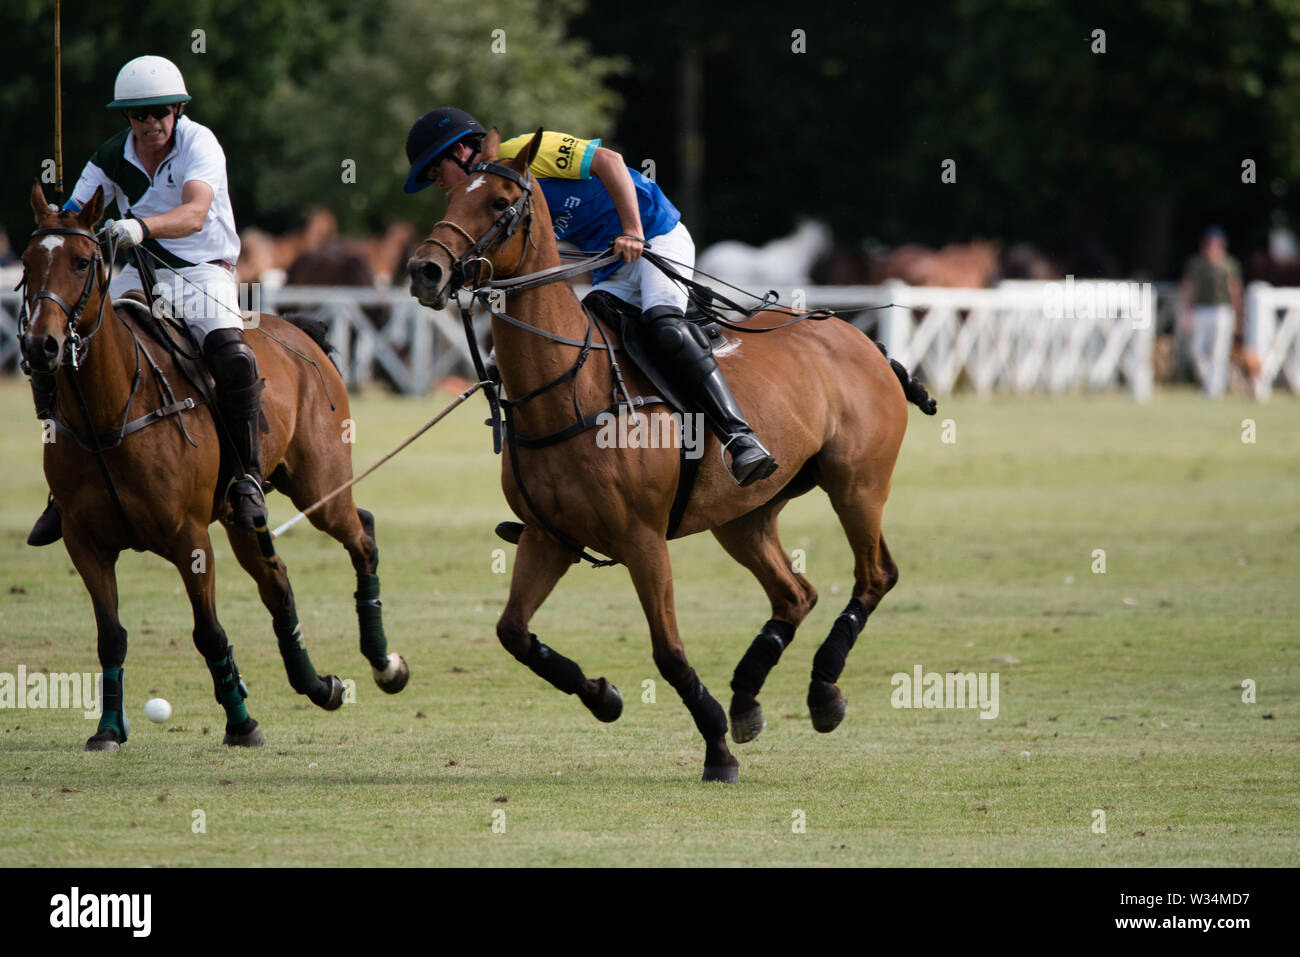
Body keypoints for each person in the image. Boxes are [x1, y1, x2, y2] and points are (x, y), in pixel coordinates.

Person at [402, 107, 778, 486]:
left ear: (461, 151)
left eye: (436, 170)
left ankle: (739, 435)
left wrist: (633, 229)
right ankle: (554, 489)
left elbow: (609, 161)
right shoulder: (482, 196)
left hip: (656, 236)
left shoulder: (524, 151)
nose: (437, 182)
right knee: (570, 346)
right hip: (612, 266)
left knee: (665, 327)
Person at [28, 55, 265, 545]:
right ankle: (62, 489)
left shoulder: (200, 143)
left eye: (160, 112)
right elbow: (74, 216)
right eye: (140, 115)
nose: (151, 123)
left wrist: (141, 225)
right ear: (127, 118)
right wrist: (57, 217)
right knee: (64, 352)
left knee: (235, 358)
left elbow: (197, 212)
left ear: (176, 109)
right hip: (136, 271)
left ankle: (246, 479)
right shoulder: (112, 156)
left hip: (201, 271)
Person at [1179, 226, 1242, 398]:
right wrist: (1185, 311)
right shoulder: (1196, 264)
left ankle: (1215, 389)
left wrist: (1237, 316)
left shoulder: (1228, 264)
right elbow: (1189, 288)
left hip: (1222, 310)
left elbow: (1234, 291)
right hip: (1201, 310)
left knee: (1219, 351)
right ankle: (1209, 383)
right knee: (1197, 351)